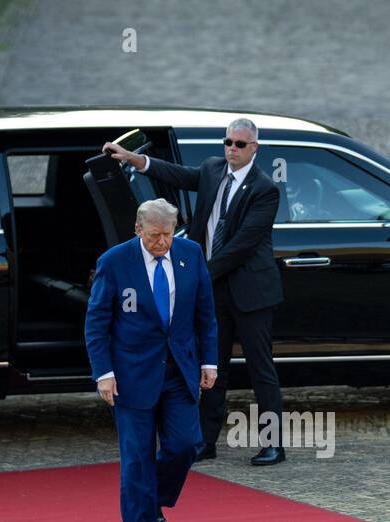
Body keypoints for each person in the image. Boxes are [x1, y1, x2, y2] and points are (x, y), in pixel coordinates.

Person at [103, 117, 286, 466]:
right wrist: (133, 158)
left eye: (240, 144)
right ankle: (205, 442)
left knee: (261, 369)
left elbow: (242, 245)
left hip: (251, 292)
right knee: (212, 366)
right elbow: (176, 174)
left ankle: (273, 443)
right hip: (215, 290)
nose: (232, 149)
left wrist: (199, 274)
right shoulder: (213, 168)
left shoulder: (265, 189)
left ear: (254, 149)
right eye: (228, 142)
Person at [84, 198, 218, 522]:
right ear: (138, 230)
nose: (162, 243)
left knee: (186, 444)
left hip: (179, 370)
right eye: (155, 235)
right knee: (137, 459)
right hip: (130, 377)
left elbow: (205, 314)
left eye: (168, 235)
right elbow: (96, 322)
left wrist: (209, 361)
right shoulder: (114, 261)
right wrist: (104, 374)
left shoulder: (190, 254)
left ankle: (152, 501)